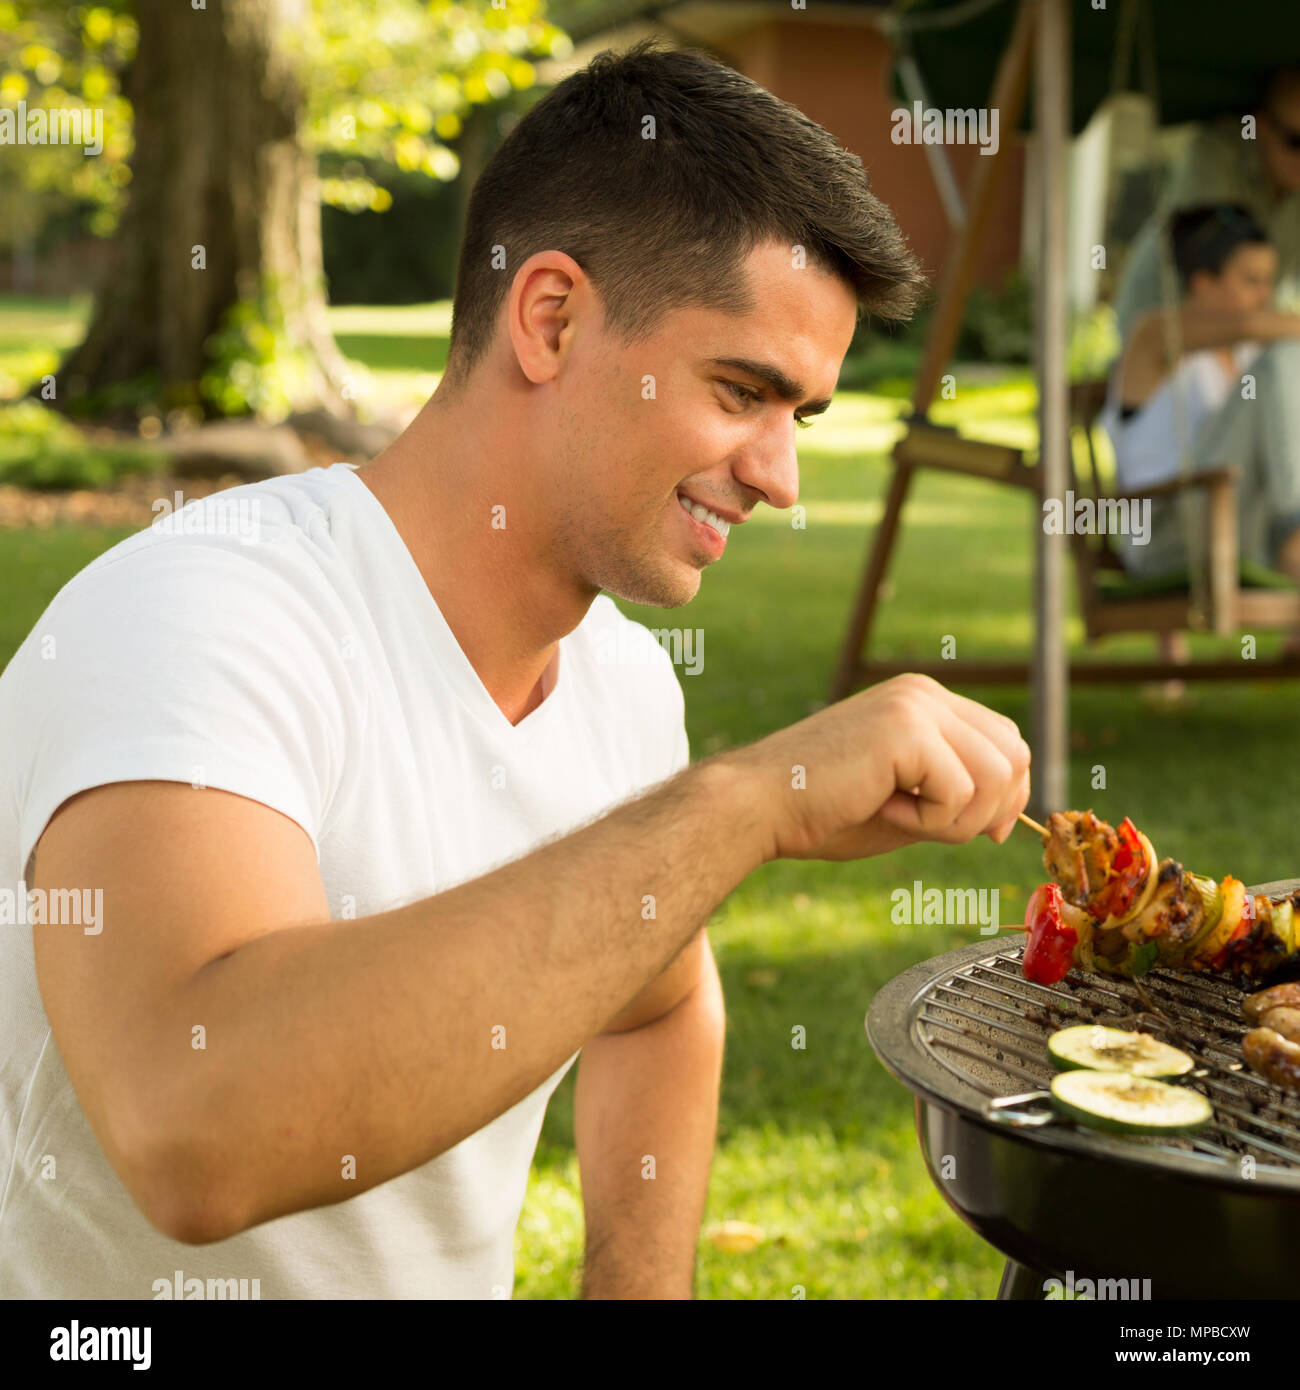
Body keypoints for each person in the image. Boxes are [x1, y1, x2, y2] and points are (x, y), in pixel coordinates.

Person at [0, 39, 1030, 1300]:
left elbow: (659, 1005)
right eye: (741, 390)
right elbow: (192, 1128)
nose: (780, 475)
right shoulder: (202, 615)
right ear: (550, 318)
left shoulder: (623, 687)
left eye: (799, 415)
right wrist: (743, 801)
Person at [1101, 203, 1300, 626]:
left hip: (1236, 526)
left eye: (1269, 281)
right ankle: (1296, 539)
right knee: (1286, 360)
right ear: (1204, 283)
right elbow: (1256, 326)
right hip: (1168, 539)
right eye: (1252, 281)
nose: (1266, 296)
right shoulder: (1153, 335)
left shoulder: (1249, 356)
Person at [1113, 65, 1300, 338]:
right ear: (1261, 124)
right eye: (1295, 141)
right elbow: (1224, 302)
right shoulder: (1216, 155)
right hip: (1163, 332)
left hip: (1235, 349)